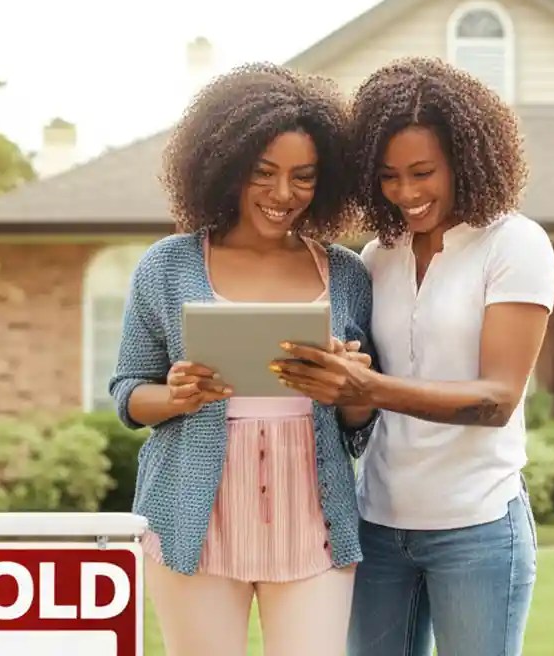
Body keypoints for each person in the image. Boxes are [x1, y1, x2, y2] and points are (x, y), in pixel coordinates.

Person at [273, 56, 554, 656]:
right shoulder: (379, 255)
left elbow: (497, 399)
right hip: (378, 523)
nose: (406, 193)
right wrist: (340, 366)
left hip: (477, 524)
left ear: (467, 160)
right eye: (387, 176)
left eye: (423, 172)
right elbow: (371, 382)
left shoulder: (514, 244)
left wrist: (367, 388)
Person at [107, 63, 376, 656]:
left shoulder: (347, 274)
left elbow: (360, 422)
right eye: (264, 173)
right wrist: (174, 396)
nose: (284, 195)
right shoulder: (168, 266)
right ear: (226, 167)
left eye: (303, 177)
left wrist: (352, 387)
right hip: (193, 517)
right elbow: (128, 391)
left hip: (313, 518)